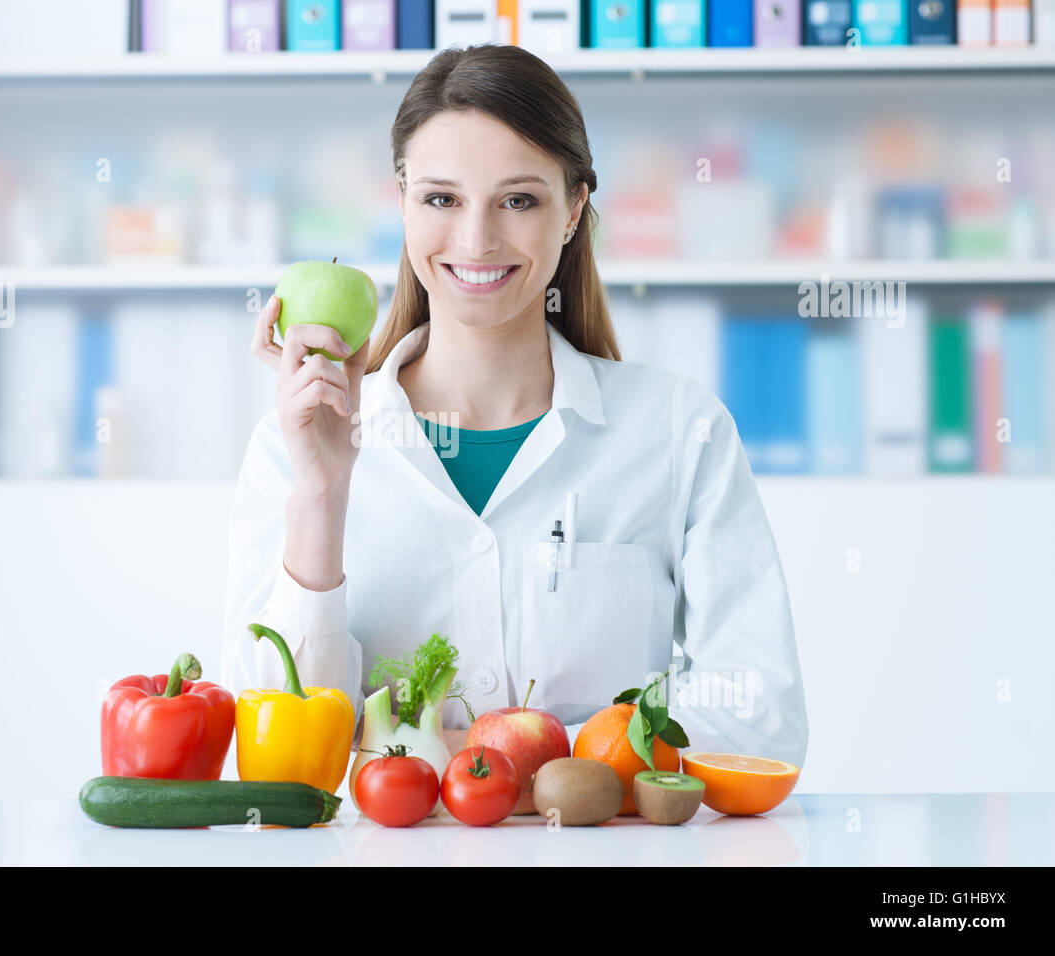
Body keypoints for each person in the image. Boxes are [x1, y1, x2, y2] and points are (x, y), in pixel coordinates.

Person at [220, 44, 807, 770]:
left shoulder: (679, 431)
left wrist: (516, 767)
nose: (475, 239)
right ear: (401, 200)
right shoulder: (293, 447)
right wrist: (321, 496)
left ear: (573, 210)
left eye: (519, 199)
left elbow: (760, 718)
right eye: (441, 199)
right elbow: (274, 759)